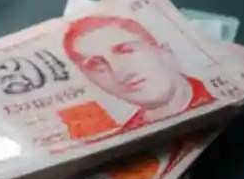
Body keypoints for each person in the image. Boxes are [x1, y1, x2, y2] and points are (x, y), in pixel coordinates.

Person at [62, 15, 215, 132]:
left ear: (165, 52)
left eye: (127, 51)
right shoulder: (120, 144)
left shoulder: (217, 96)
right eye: (97, 66)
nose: (121, 74)